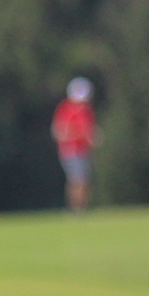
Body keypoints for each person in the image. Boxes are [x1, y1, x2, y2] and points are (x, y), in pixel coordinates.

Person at [52, 77, 98, 213]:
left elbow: (90, 130)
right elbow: (59, 131)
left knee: (84, 180)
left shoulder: (87, 111)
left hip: (84, 150)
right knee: (76, 179)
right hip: (71, 150)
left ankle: (83, 207)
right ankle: (75, 208)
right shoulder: (66, 109)